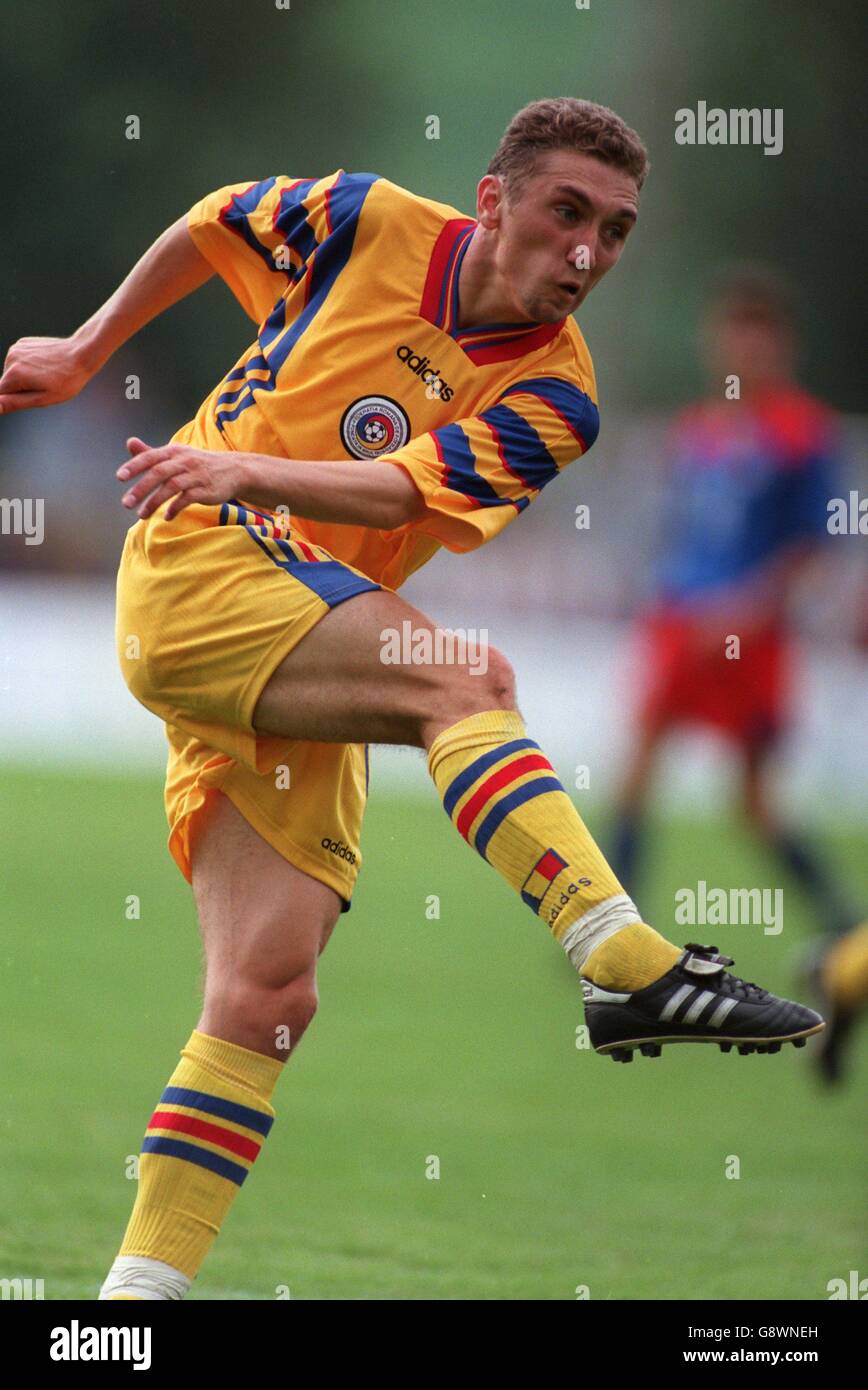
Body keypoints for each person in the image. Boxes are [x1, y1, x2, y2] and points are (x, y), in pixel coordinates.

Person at [0, 99, 823, 1303]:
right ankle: (625, 959)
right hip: (200, 558)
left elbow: (398, 492)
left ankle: (130, 1312)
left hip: (298, 623)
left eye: (616, 230)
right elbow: (211, 219)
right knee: (468, 680)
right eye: (565, 212)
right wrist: (85, 348)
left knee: (269, 991)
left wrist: (246, 459)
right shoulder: (366, 217)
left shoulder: (562, 399)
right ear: (493, 201)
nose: (587, 251)